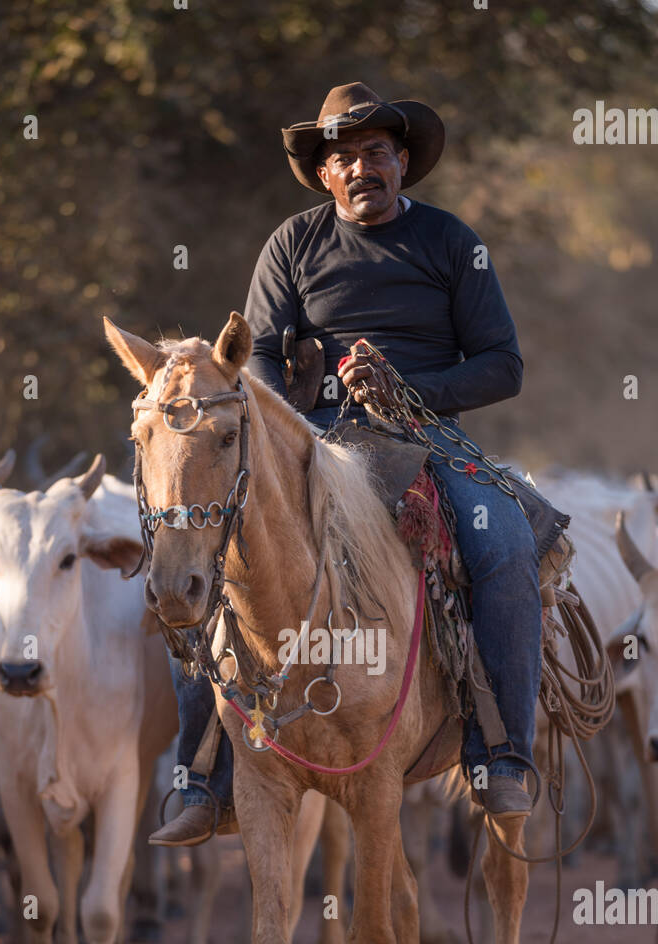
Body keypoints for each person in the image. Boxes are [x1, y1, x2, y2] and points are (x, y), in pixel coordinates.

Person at [150, 82, 540, 847]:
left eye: (375, 153)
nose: (361, 168)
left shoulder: (453, 243)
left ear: (401, 163)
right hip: (316, 439)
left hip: (429, 438)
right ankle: (203, 776)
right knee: (200, 557)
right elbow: (255, 353)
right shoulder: (292, 243)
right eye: (344, 159)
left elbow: (503, 365)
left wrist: (409, 389)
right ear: (325, 176)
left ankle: (501, 755)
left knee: (504, 545)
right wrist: (294, 417)